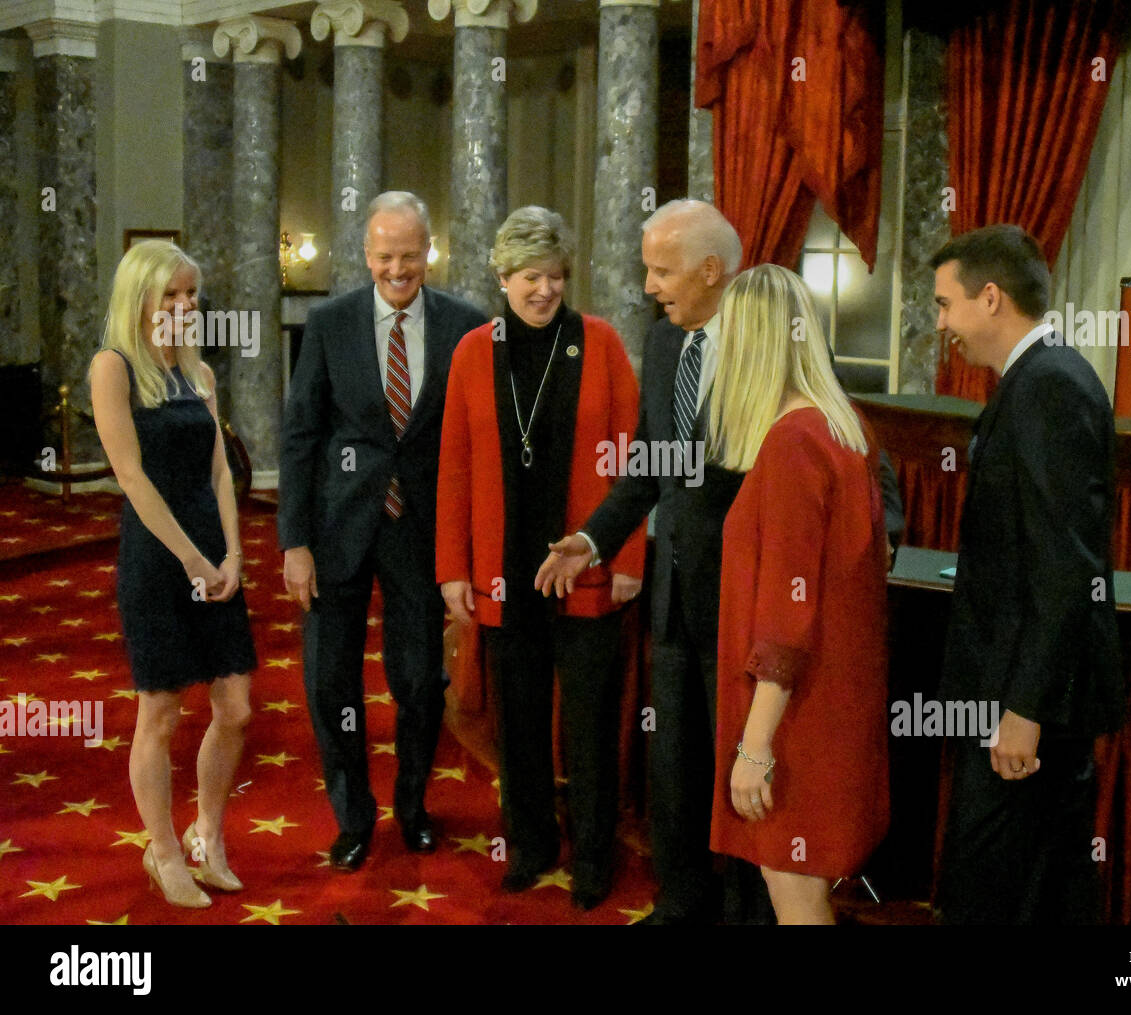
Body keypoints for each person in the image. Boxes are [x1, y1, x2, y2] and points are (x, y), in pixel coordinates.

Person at [536, 199, 906, 924]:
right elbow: (653, 462)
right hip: (677, 593)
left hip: (757, 613)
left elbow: (854, 457)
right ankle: (683, 902)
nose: (649, 284)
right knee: (677, 770)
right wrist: (595, 537)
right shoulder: (667, 343)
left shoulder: (774, 335)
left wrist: (867, 543)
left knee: (751, 776)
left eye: (661, 268)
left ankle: (751, 914)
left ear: (712, 270)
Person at [437, 206, 645, 910]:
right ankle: (528, 845)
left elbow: (631, 463)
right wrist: (453, 569)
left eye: (556, 277)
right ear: (502, 277)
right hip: (504, 570)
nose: (545, 291)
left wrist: (626, 556)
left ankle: (592, 854)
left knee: (588, 726)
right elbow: (456, 468)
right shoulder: (472, 351)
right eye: (531, 277)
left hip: (585, 567)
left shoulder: (603, 343)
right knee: (517, 725)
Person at [278, 191, 487, 871]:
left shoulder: (466, 325)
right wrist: (294, 542)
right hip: (338, 527)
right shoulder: (330, 322)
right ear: (367, 255)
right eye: (386, 255)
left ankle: (413, 805)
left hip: (422, 530)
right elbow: (302, 435)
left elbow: (476, 440)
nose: (399, 268)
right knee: (330, 683)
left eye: (410, 254)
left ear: (429, 251)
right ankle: (354, 817)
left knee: (422, 680)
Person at [929, 224, 1126, 924]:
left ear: (990, 298)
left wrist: (1025, 708)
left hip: (1028, 701)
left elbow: (1065, 566)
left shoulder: (1048, 385)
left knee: (996, 895)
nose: (942, 322)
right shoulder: (1037, 379)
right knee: (1041, 892)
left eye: (946, 303)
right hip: (1017, 690)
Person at [704, 264, 891, 924]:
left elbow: (787, 618)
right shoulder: (842, 429)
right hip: (833, 708)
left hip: (795, 723)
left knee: (797, 904)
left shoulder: (793, 444)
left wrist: (755, 748)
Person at [89, 240, 257, 908]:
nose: (186, 306)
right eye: (173, 295)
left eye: (192, 295)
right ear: (142, 298)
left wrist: (234, 557)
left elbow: (221, 470)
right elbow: (129, 475)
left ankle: (206, 833)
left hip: (214, 552)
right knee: (159, 711)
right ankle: (160, 848)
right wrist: (190, 557)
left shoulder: (200, 371)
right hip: (159, 557)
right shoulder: (113, 367)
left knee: (238, 709)